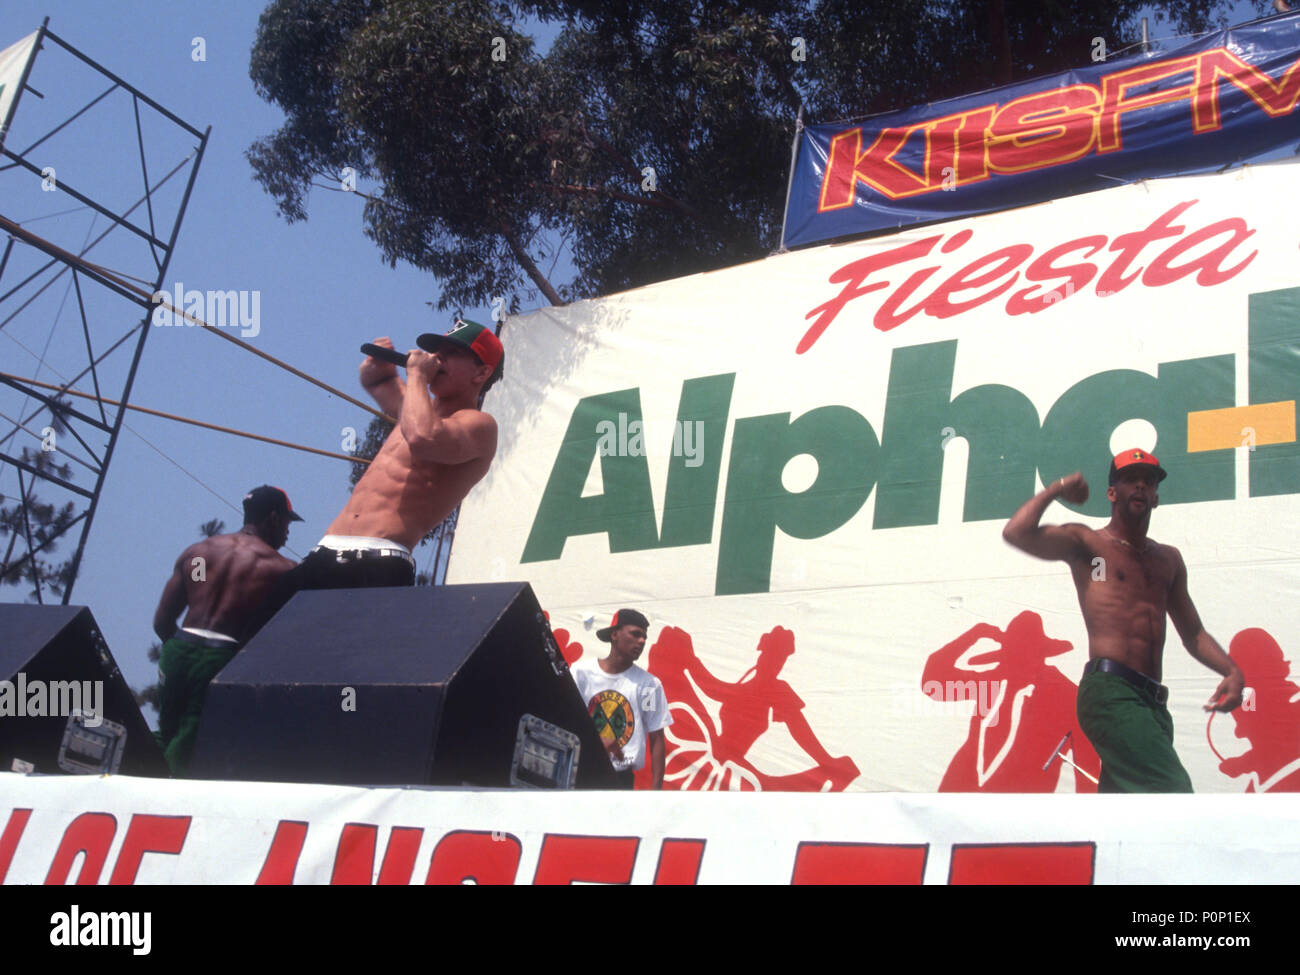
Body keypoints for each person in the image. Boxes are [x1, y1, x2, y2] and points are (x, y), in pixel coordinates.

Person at [1002, 448, 1244, 792]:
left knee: (1126, 818)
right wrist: (1058, 488)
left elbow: (1193, 633)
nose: (1141, 487)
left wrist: (1231, 671)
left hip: (1153, 704)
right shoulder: (1089, 545)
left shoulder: (1168, 560)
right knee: (1171, 790)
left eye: (1149, 481)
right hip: (1111, 691)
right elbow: (1016, 532)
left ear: (1156, 498)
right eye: (1131, 480)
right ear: (1112, 493)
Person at [264, 320, 501, 600]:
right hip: (326, 551)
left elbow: (423, 438)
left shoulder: (480, 425)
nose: (437, 358)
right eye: (437, 351)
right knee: (256, 636)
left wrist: (416, 377)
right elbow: (379, 382)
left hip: (378, 561)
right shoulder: (414, 407)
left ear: (482, 372)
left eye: (451, 353)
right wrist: (377, 369)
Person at [152, 485, 301, 774]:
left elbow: (162, 621)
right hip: (220, 660)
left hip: (178, 649)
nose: (287, 532)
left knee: (166, 733)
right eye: (286, 522)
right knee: (190, 745)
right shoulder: (280, 570)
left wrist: (182, 654)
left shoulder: (199, 554)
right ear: (272, 518)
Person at [570, 609, 672, 789]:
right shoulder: (580, 674)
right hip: (581, 773)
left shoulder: (649, 685)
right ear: (615, 634)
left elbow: (657, 738)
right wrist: (596, 739)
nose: (641, 641)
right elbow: (564, 721)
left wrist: (656, 793)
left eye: (644, 637)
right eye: (635, 634)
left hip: (620, 780)